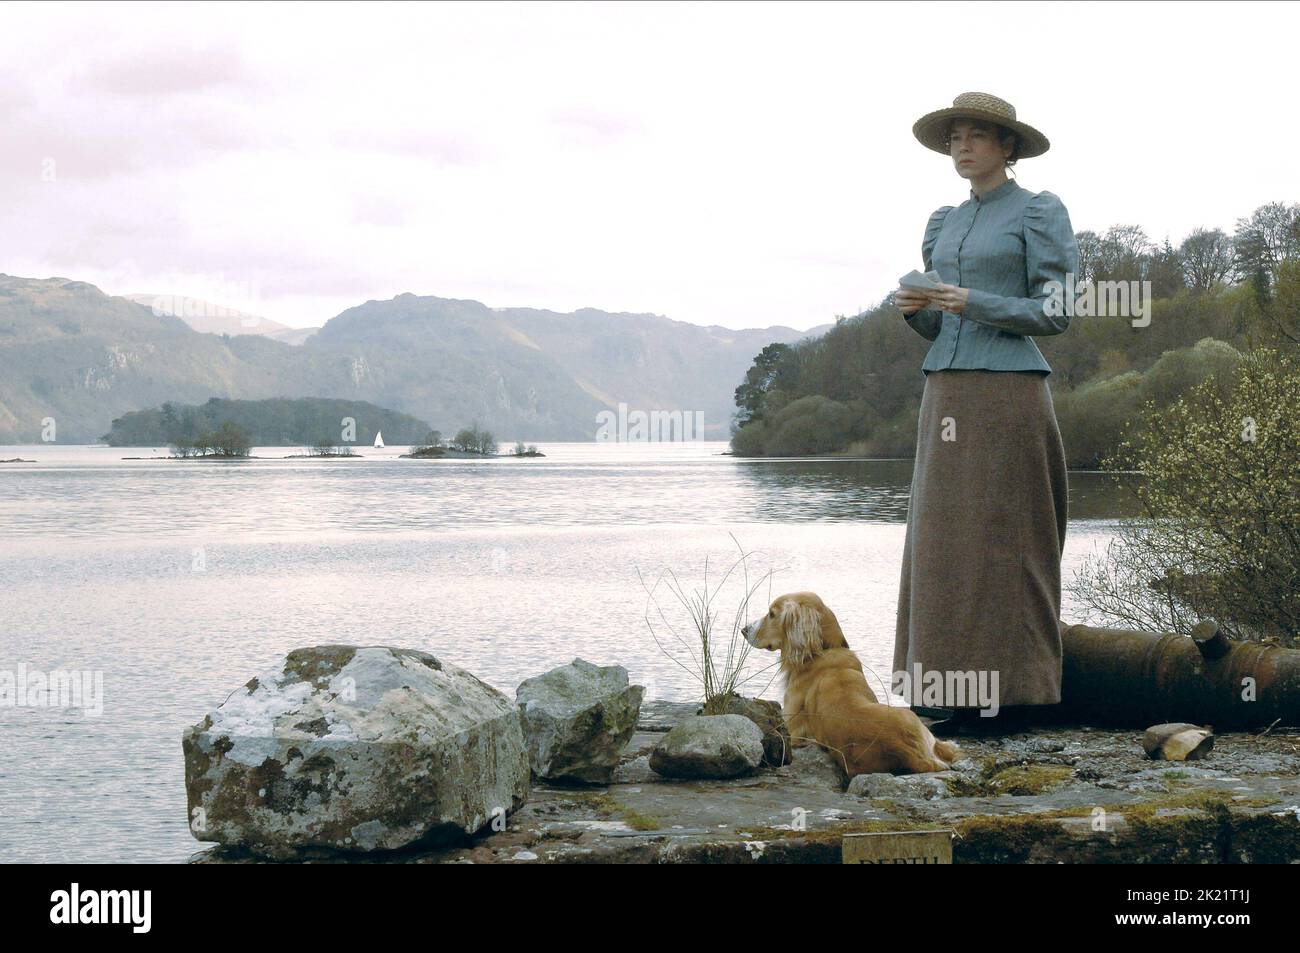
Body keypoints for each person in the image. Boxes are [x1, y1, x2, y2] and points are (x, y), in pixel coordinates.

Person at [892, 92, 1079, 737]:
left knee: (1008, 535)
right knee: (943, 541)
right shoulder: (942, 221)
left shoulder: (1038, 210)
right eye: (954, 138)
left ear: (1007, 147)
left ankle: (1016, 694)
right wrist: (919, 311)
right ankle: (939, 690)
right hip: (944, 388)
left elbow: (1056, 312)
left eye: (975, 136)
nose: (961, 146)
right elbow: (939, 324)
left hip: (1010, 393)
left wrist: (974, 301)